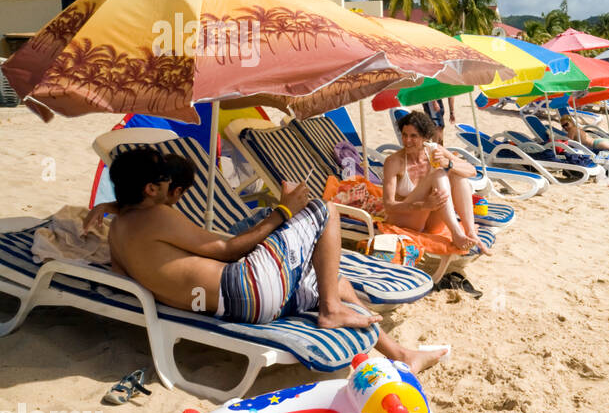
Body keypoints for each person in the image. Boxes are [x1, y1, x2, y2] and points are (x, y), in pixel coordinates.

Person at [104, 147, 445, 371]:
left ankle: (400, 354)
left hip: (238, 303)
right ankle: (329, 311)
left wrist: (111, 207)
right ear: (150, 189)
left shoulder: (117, 231)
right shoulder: (158, 215)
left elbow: (131, 276)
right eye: (164, 177)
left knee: (336, 282)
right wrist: (284, 211)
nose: (170, 182)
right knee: (323, 210)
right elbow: (228, 250)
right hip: (245, 286)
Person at [382, 110, 486, 253]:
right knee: (438, 174)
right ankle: (457, 233)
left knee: (456, 175)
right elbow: (388, 206)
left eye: (413, 136)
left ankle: (470, 232)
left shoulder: (435, 151)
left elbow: (472, 171)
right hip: (403, 220)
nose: (407, 141)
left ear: (425, 137)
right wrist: (423, 205)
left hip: (430, 222)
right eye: (404, 135)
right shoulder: (394, 162)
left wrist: (447, 163)